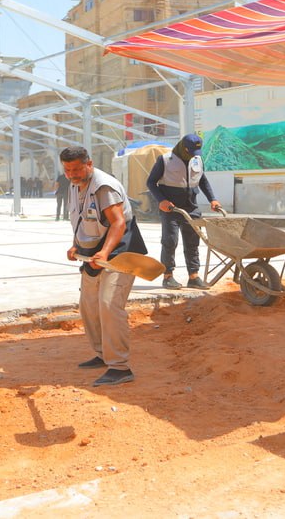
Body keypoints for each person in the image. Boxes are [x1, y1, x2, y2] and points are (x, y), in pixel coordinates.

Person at [61, 145, 149, 387]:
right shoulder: (74, 184)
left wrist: (105, 253)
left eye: (77, 168)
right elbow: (80, 218)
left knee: (109, 304)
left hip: (119, 251)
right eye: (68, 170)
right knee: (89, 305)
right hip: (91, 253)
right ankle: (102, 353)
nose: (72, 174)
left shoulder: (104, 187)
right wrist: (75, 245)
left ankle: (120, 367)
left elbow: (118, 223)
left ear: (89, 164)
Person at [146, 133, 221, 290]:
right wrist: (162, 200)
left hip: (191, 206)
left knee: (193, 241)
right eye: (190, 152)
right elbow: (151, 182)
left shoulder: (197, 160)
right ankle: (168, 276)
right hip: (171, 207)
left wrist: (212, 199)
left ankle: (193, 276)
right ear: (183, 147)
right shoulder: (165, 160)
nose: (193, 155)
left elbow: (203, 180)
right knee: (170, 241)